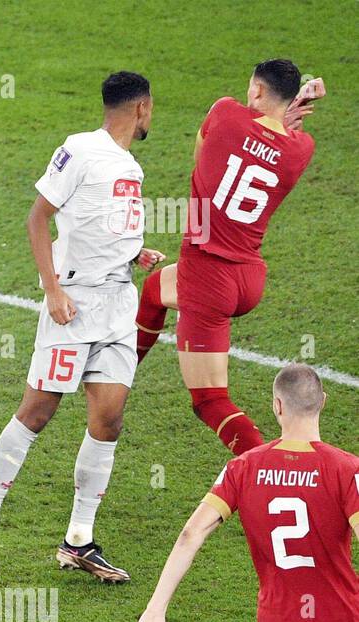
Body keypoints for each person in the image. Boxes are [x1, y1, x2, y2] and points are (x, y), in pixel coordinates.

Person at [0, 72, 162, 583]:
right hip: (73, 307)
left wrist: (133, 253)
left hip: (120, 306)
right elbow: (38, 219)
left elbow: (100, 224)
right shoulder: (79, 150)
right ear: (141, 107)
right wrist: (52, 290)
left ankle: (79, 539)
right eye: (151, 109)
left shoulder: (130, 167)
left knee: (109, 420)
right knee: (37, 413)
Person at [133, 364, 359, 622]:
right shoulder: (346, 469)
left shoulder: (242, 467)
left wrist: (156, 608)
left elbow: (190, 535)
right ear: (322, 402)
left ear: (277, 406)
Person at [134, 61, 324, 455]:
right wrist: (287, 117)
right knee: (155, 290)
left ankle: (277, 467)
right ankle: (118, 373)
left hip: (207, 277)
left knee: (210, 402)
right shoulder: (301, 148)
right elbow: (271, 141)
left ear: (255, 90)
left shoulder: (225, 112)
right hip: (247, 276)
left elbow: (202, 156)